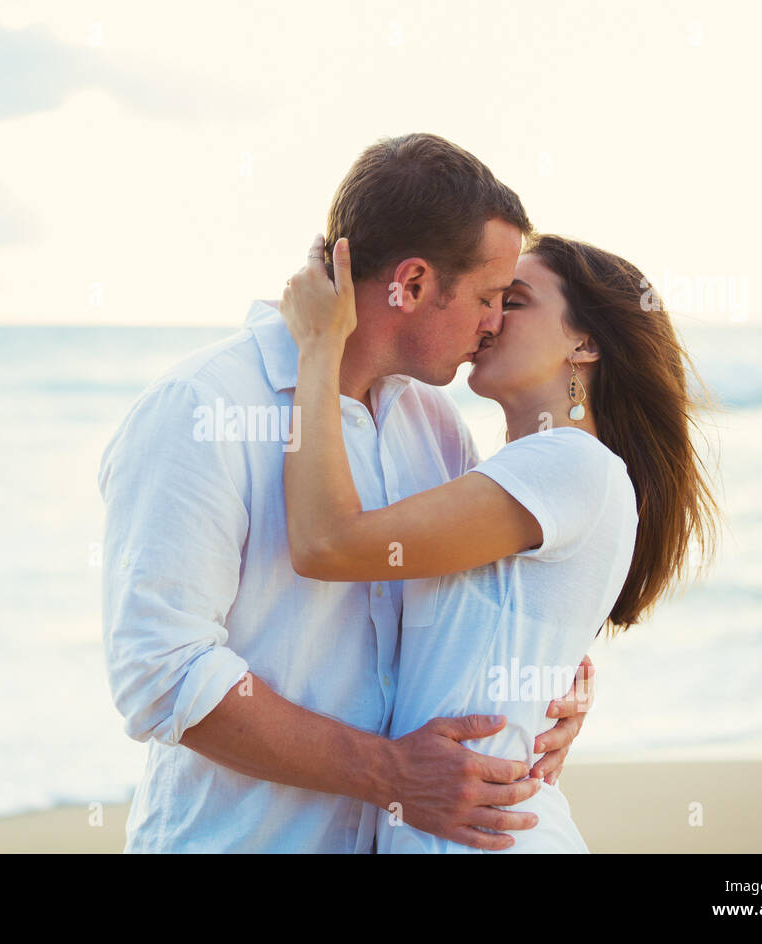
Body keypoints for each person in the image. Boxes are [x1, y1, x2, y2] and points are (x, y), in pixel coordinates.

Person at [99, 133, 594, 853]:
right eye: (489, 297)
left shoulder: (436, 427)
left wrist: (559, 688)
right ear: (414, 283)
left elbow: (478, 611)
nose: (494, 325)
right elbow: (161, 671)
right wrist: (389, 774)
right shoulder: (199, 407)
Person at [278, 231, 720, 852]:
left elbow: (327, 545)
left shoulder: (569, 464)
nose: (487, 320)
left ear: (583, 342)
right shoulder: (524, 474)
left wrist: (318, 346)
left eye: (513, 301)